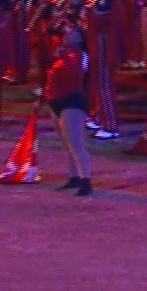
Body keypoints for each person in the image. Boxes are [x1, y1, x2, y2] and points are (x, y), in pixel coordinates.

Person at [45, 25, 94, 196]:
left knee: (76, 143)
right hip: (57, 102)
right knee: (67, 143)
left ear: (80, 38)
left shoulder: (82, 56)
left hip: (72, 102)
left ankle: (86, 180)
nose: (67, 35)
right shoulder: (62, 53)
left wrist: (63, 57)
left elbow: (76, 73)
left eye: (72, 33)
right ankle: (74, 177)